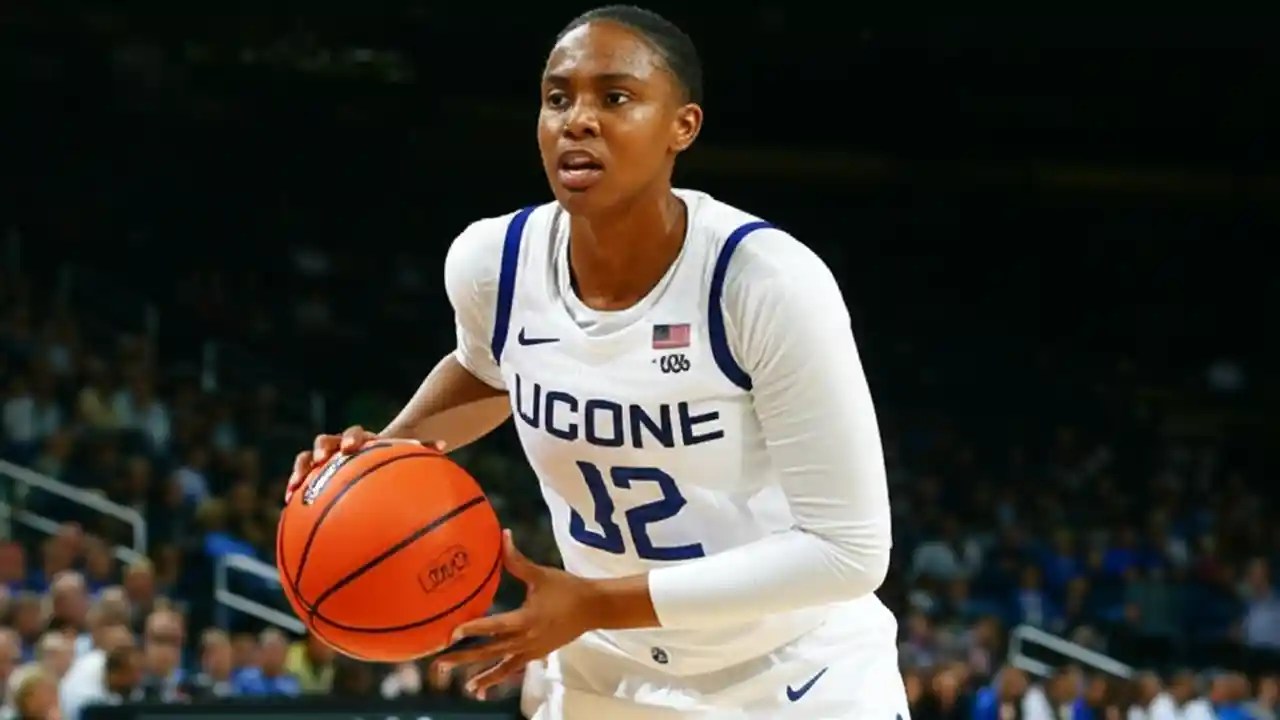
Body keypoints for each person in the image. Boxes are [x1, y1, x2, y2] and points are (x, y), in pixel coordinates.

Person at [284, 5, 903, 718]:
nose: (577, 119)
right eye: (557, 98)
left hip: (791, 674)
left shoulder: (763, 282)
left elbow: (850, 553)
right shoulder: (495, 263)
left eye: (615, 97)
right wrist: (385, 451)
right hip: (606, 667)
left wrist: (591, 603)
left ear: (684, 127)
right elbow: (490, 370)